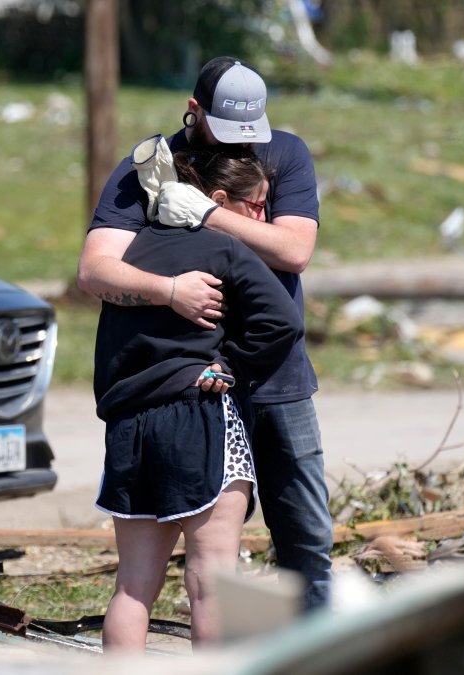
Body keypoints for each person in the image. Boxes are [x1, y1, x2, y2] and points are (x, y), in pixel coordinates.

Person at [77, 56, 333, 613]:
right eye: (228, 132)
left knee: (307, 538)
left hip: (274, 378)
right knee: (206, 560)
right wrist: (168, 291)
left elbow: (295, 250)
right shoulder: (146, 169)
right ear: (194, 111)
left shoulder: (284, 153)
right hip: (190, 387)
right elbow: (96, 270)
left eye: (252, 134)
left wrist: (206, 216)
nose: (243, 148)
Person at [94, 144, 302, 650]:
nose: (261, 219)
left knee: (133, 585)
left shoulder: (133, 255)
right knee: (211, 583)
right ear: (216, 199)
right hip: (200, 415)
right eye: (256, 206)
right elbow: (284, 323)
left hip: (129, 425)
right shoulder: (226, 249)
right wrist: (229, 365)